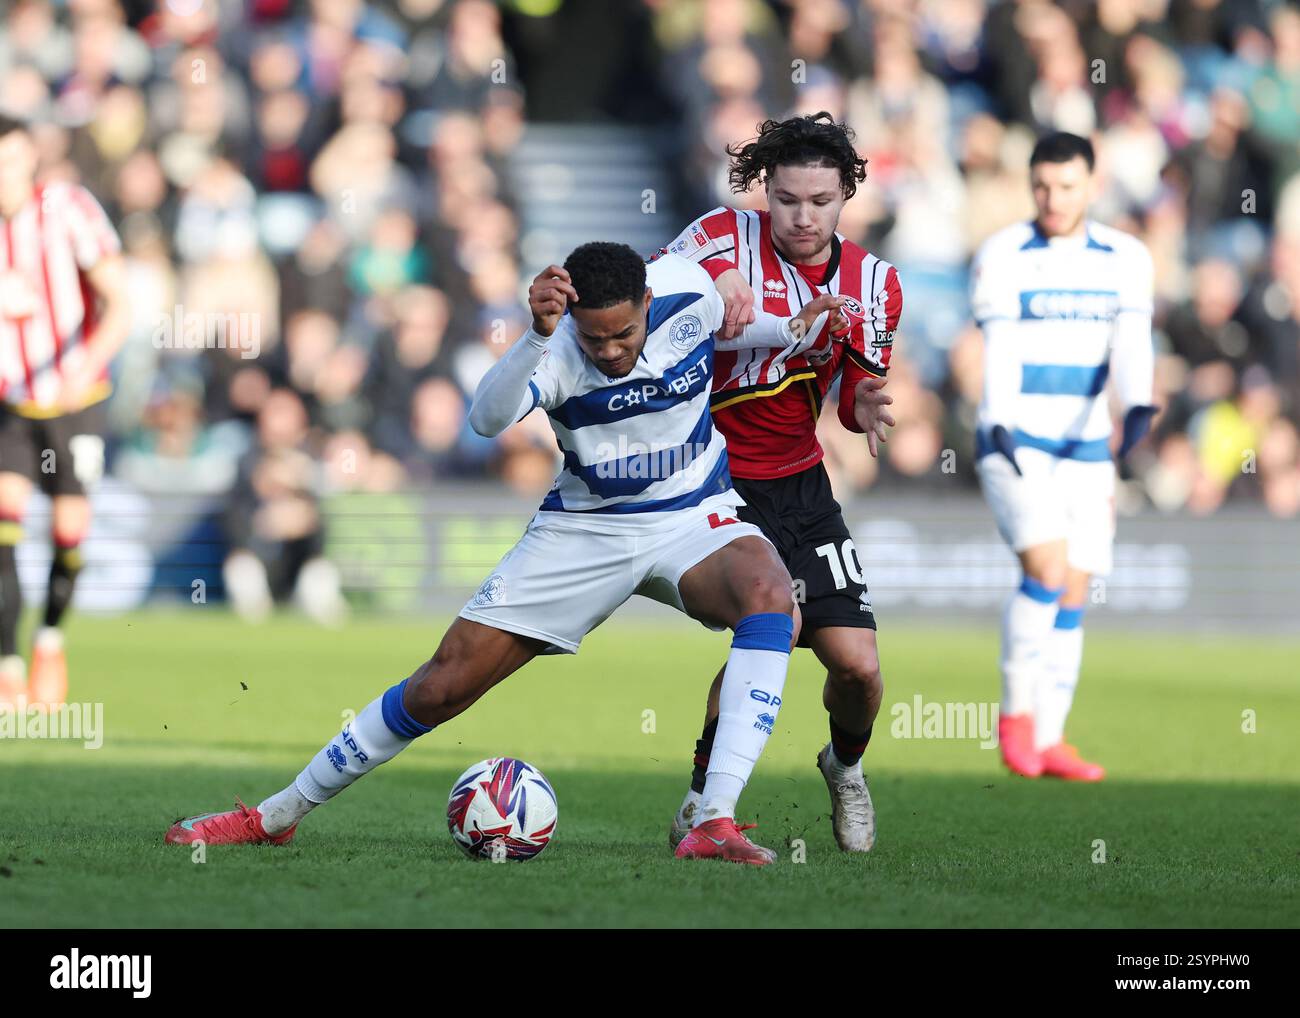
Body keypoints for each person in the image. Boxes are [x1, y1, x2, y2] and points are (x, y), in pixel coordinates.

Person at [164, 242, 837, 866]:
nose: (608, 351)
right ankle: (277, 814)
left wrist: (789, 331)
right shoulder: (560, 345)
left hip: (692, 514)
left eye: (623, 335)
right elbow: (486, 419)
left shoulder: (687, 288)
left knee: (772, 596)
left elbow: (728, 325)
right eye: (593, 337)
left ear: (648, 306)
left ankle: (713, 818)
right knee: (441, 685)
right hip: (584, 530)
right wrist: (540, 335)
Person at [656, 112, 902, 853]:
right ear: (766, 191)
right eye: (787, 199)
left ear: (846, 197)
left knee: (859, 670)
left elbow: (856, 401)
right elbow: (658, 276)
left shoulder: (875, 285)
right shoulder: (723, 234)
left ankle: (845, 767)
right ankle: (704, 801)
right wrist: (718, 271)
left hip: (802, 485)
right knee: (767, 630)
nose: (802, 215)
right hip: (717, 483)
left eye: (820, 201)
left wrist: (861, 405)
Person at [972, 132, 1156, 781]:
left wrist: (1139, 404)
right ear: (1030, 186)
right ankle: (1015, 720)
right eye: (1043, 186)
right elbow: (998, 348)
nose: (1053, 199)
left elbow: (1131, 342)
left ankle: (1050, 737)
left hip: (1084, 448)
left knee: (1076, 587)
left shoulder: (1126, 258)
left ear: (1092, 187)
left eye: (1067, 186)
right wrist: (996, 420)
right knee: (1047, 570)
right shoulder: (1003, 254)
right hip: (1015, 441)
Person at [0, 114, 129, 710]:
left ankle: (49, 639)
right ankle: (7, 663)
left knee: (69, 531)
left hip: (76, 401)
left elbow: (121, 302)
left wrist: (87, 360)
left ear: (29, 158)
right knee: (3, 524)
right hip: (10, 404)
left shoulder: (69, 210)